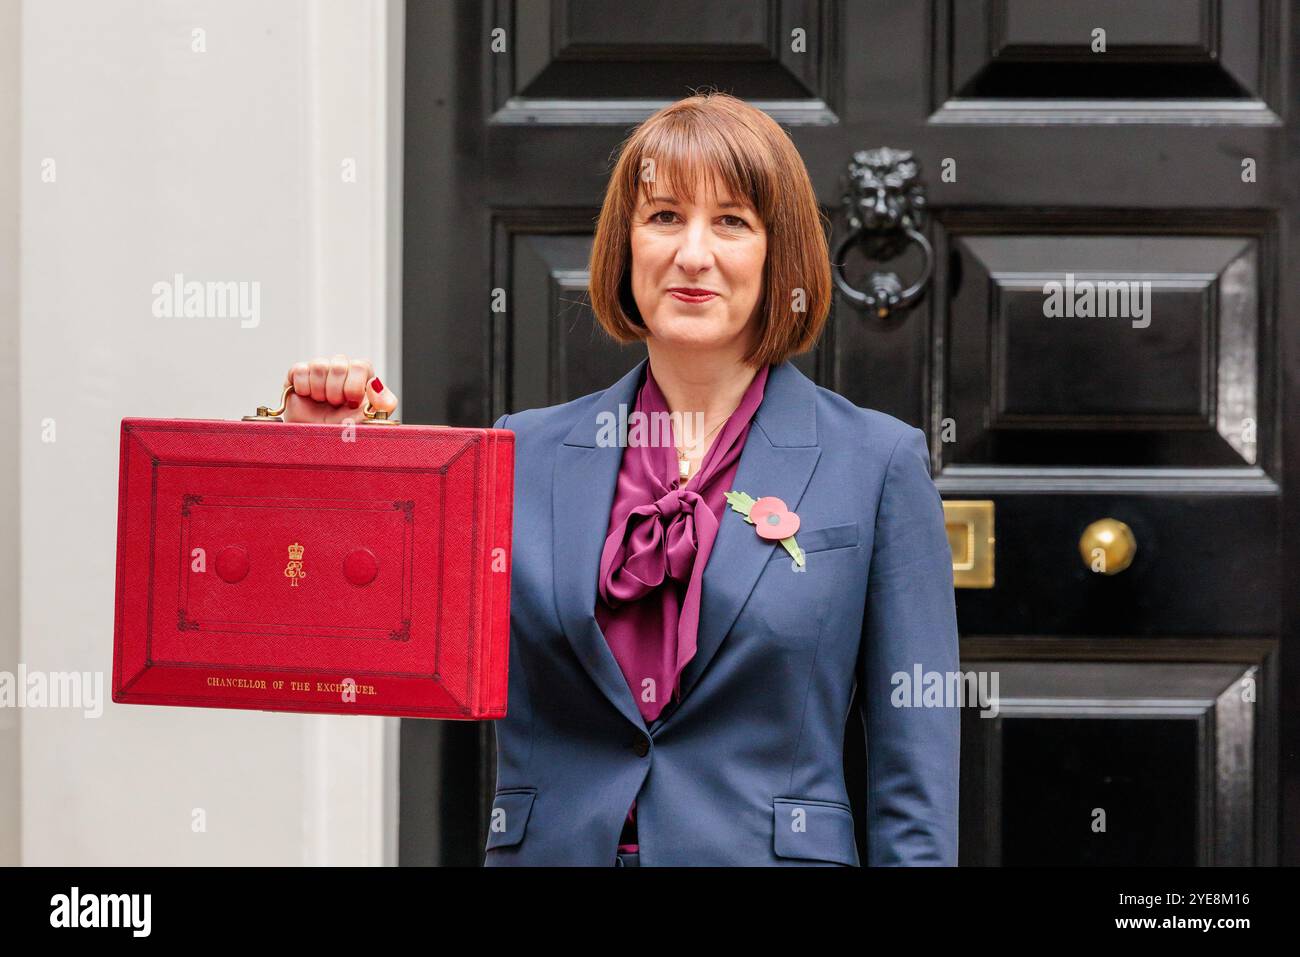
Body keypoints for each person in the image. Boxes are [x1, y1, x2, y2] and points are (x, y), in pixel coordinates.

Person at [280, 91, 959, 866]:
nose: (692, 253)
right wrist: (330, 462)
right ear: (625, 245)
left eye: (732, 221)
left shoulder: (875, 465)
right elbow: (365, 630)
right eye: (664, 216)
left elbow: (915, 786)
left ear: (782, 254)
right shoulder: (520, 453)